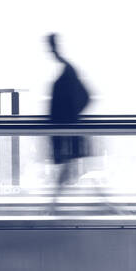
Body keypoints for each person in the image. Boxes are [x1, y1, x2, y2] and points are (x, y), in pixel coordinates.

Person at [46, 33, 91, 204]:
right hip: (69, 130)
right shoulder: (68, 70)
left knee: (71, 170)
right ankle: (53, 205)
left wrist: (67, 120)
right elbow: (86, 97)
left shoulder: (67, 72)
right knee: (72, 170)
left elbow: (84, 97)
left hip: (67, 131)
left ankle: (53, 205)